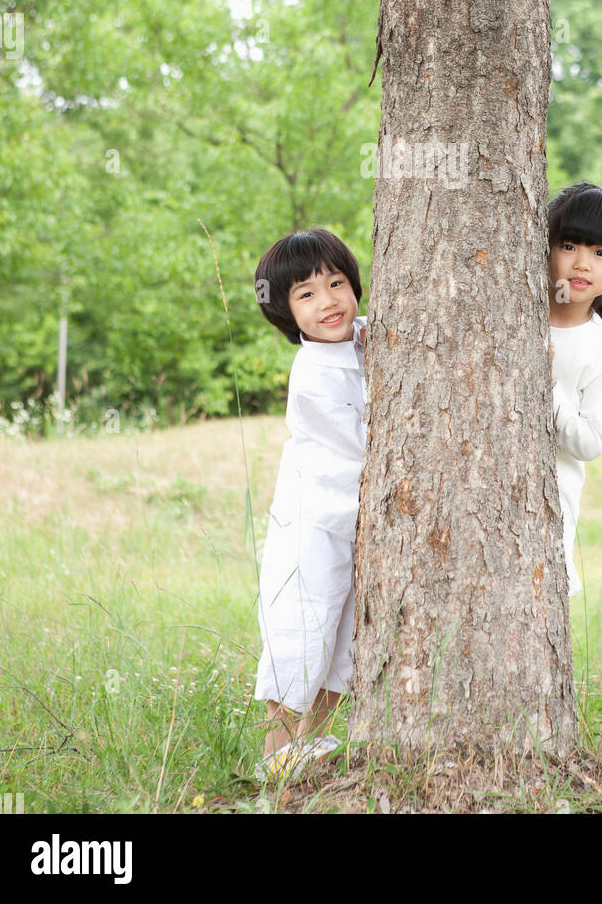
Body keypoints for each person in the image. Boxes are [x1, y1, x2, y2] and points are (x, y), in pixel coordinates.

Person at [252, 226, 367, 784]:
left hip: (350, 526)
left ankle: (310, 751)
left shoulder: (368, 338)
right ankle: (277, 755)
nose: (328, 301)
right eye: (306, 293)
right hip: (314, 523)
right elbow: (356, 450)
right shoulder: (314, 373)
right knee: (304, 628)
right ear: (285, 312)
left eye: (336, 282)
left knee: (344, 638)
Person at [547, 182, 602, 598]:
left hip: (547, 501)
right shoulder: (505, 312)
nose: (582, 264)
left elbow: (590, 442)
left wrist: (544, 383)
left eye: (600, 253)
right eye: (568, 246)